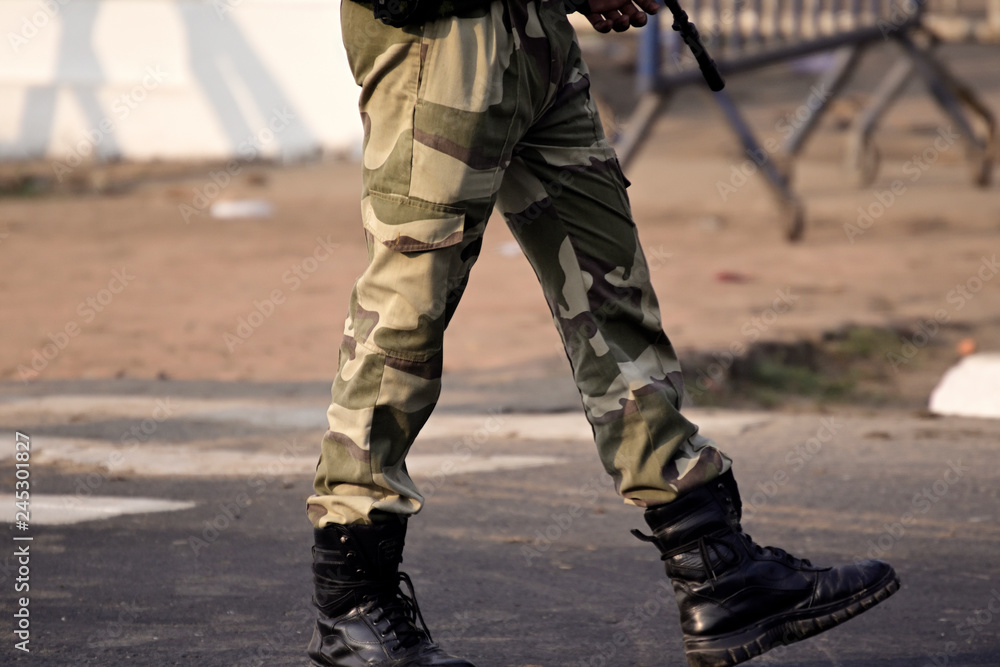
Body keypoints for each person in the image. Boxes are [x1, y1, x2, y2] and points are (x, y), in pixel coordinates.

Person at [305, 0, 900, 664]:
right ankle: (353, 603)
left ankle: (714, 568)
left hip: (534, 32)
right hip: (442, 40)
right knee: (406, 316)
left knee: (611, 295)